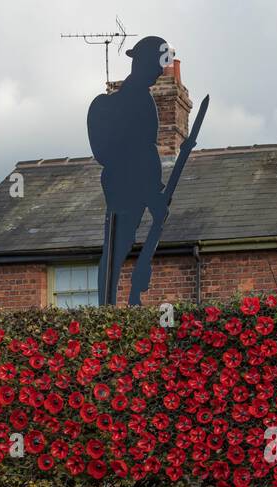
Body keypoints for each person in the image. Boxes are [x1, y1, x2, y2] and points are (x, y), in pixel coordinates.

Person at [87, 36, 169, 305]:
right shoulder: (136, 99)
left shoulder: (137, 96)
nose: (160, 70)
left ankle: (120, 300)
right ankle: (110, 305)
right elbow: (140, 151)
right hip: (129, 183)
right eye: (158, 63)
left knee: (119, 244)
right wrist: (153, 193)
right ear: (143, 62)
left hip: (126, 182)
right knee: (116, 248)